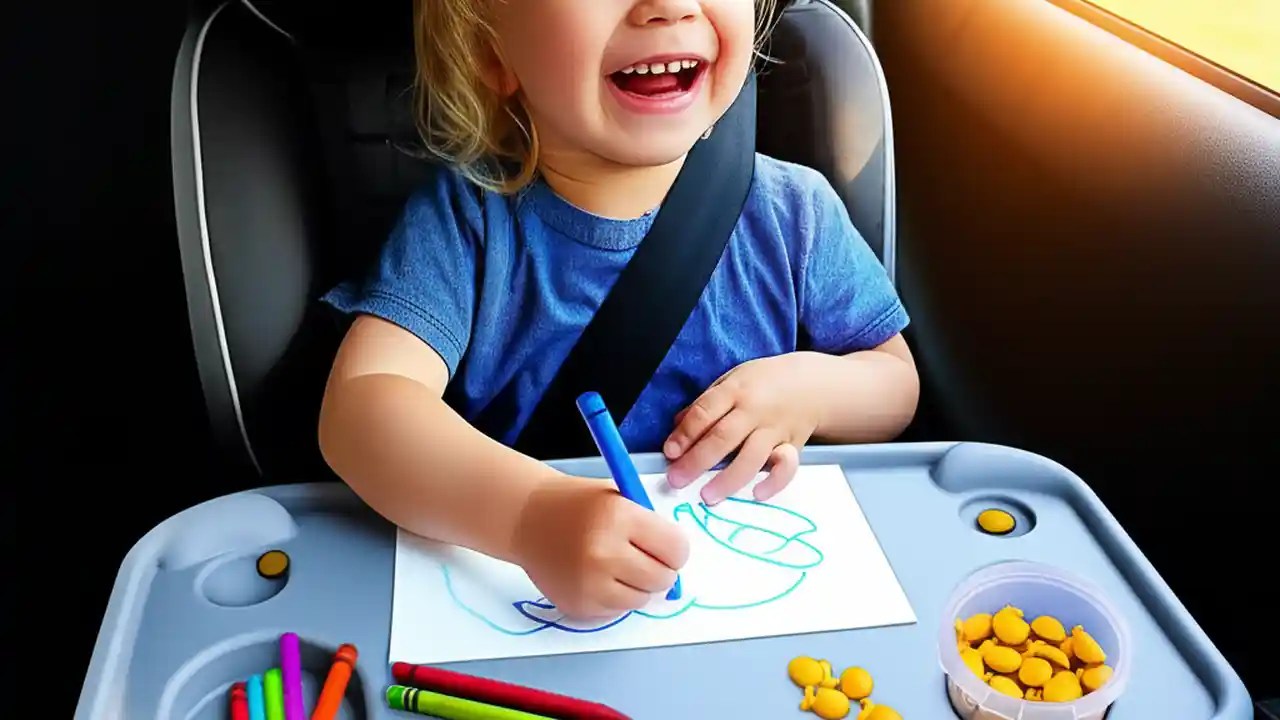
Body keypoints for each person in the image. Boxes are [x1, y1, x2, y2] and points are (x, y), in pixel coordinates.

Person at [316, 0, 919, 619]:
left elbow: (895, 381)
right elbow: (362, 408)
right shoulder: (465, 225)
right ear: (493, 52)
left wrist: (810, 390)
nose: (669, 6)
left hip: (752, 604)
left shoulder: (797, 214)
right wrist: (527, 517)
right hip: (527, 617)